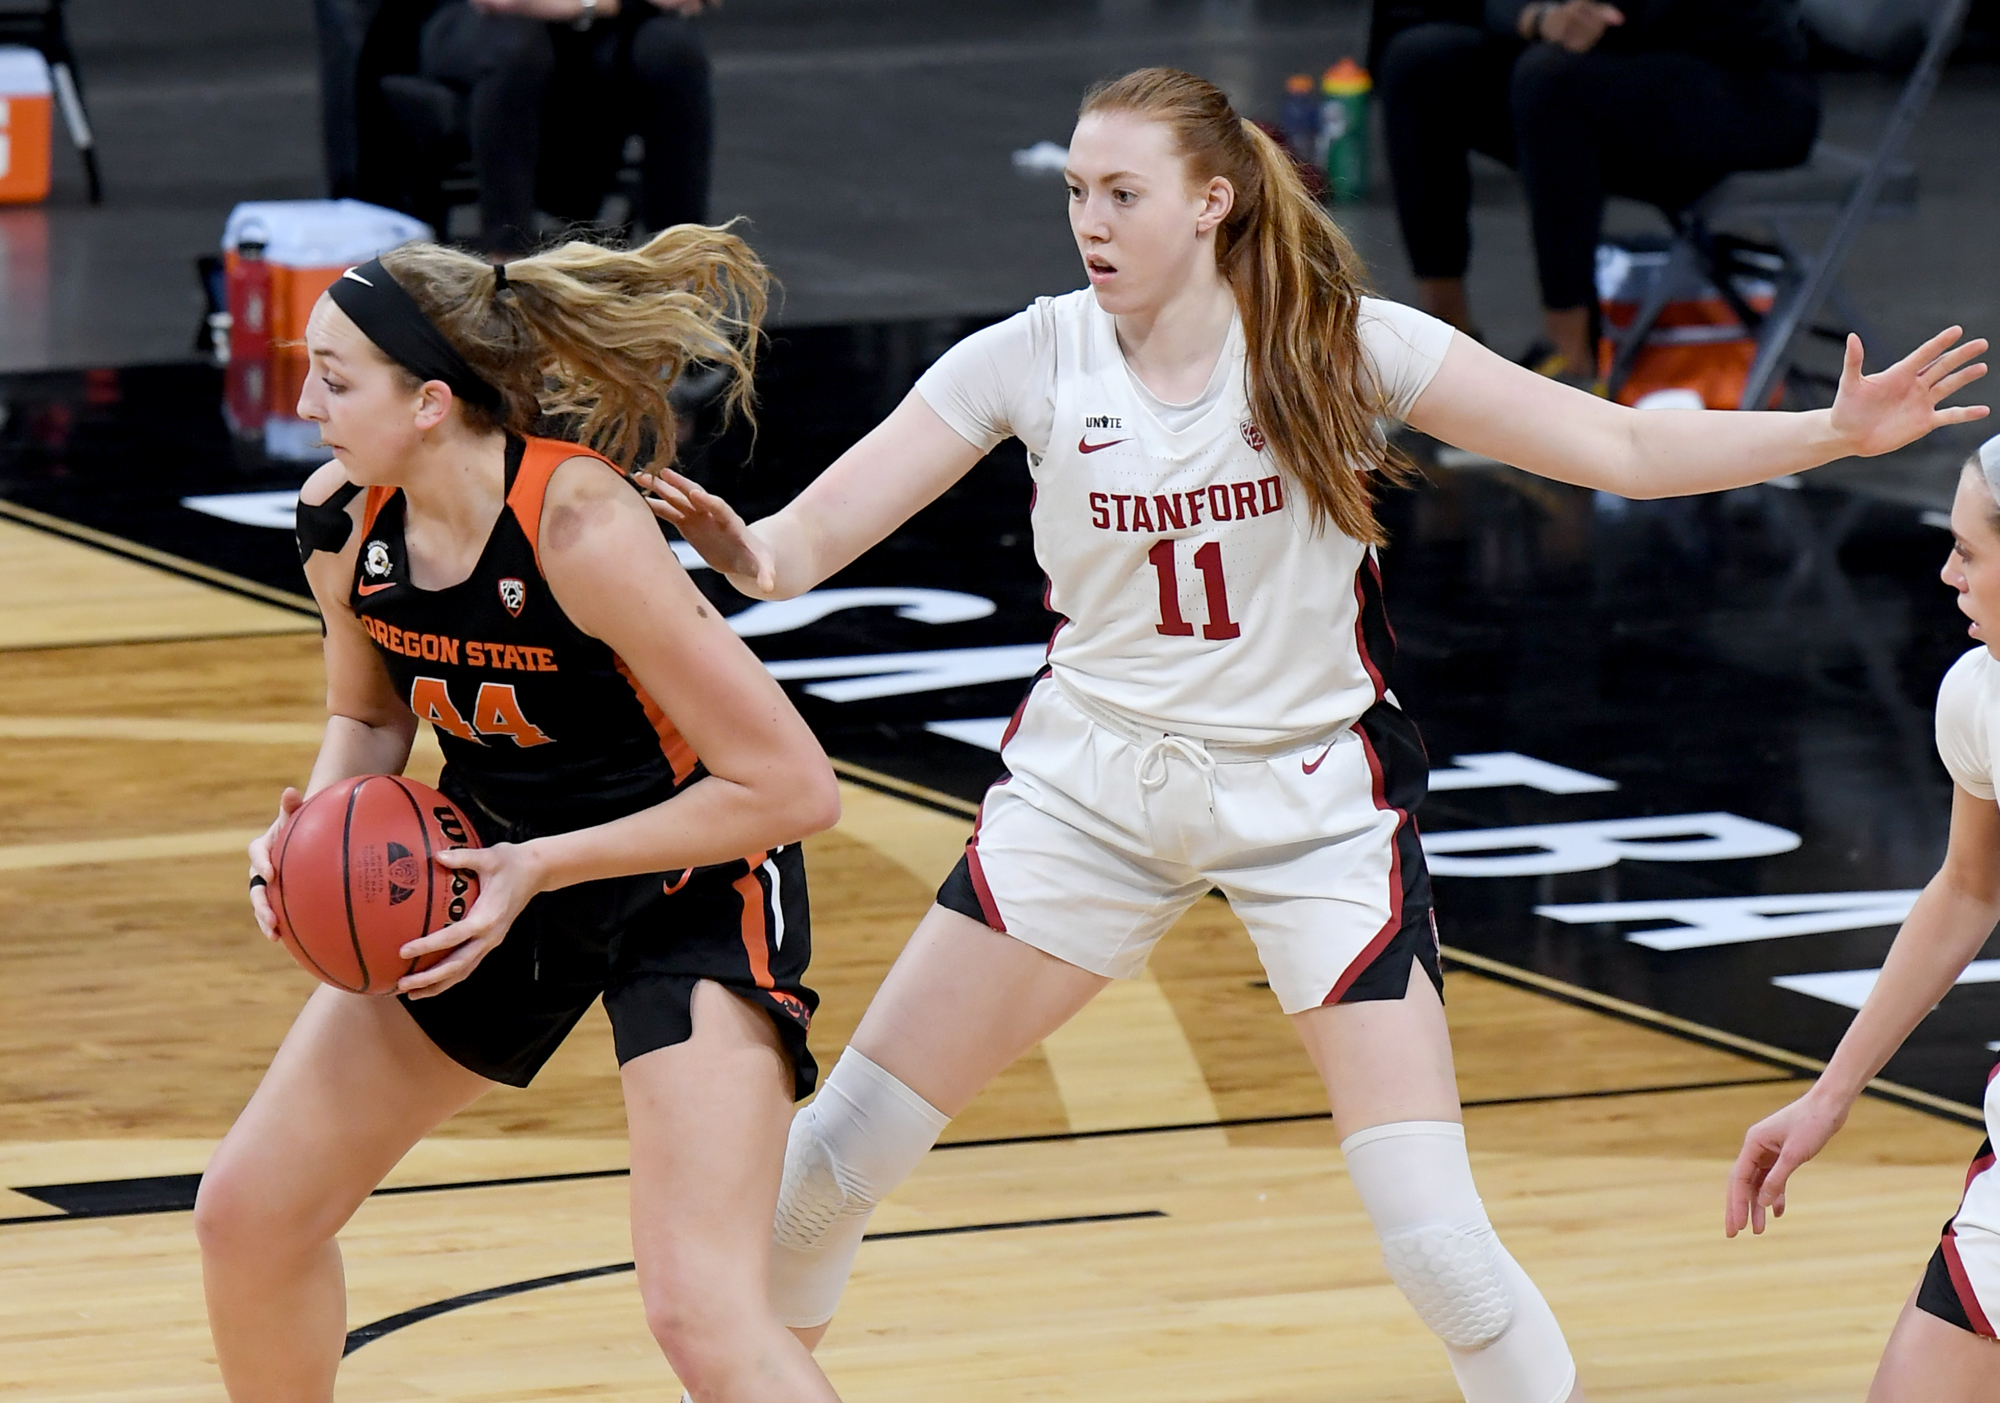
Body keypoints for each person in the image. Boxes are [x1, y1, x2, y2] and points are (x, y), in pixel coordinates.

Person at [640, 66, 1986, 1400]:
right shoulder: (1031, 352)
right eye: (1075, 194)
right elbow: (804, 542)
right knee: (830, 1166)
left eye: (1122, 192)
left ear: (1213, 200)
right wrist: (742, 550)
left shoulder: (1342, 341)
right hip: (1090, 790)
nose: (1089, 223)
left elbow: (1618, 448)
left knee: (1440, 1246)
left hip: (1312, 810)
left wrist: (1830, 431)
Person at [193, 229, 846, 1403]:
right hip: (485, 871)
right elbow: (370, 716)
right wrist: (303, 843)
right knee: (249, 1213)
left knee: (700, 1309)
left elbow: (794, 788)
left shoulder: (580, 529)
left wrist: (537, 864)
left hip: (688, 882)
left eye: (335, 379)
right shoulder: (342, 522)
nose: (304, 403)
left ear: (432, 401)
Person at [1727, 432, 2000, 1403]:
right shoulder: (1977, 697)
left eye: (1967, 550)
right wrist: (1828, 1092)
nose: (1944, 571)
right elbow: (1967, 887)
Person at [1374, 0, 1821, 386]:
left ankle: (1572, 363)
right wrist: (1537, 16)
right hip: (1612, 68)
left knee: (1551, 82)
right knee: (1420, 63)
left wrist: (1565, 19)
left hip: (1743, 81)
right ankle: (1447, 345)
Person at [417, 0, 714, 253]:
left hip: (602, 23)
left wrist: (584, 6)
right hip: (478, 20)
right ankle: (506, 260)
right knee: (517, 49)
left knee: (674, 50)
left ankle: (680, 263)